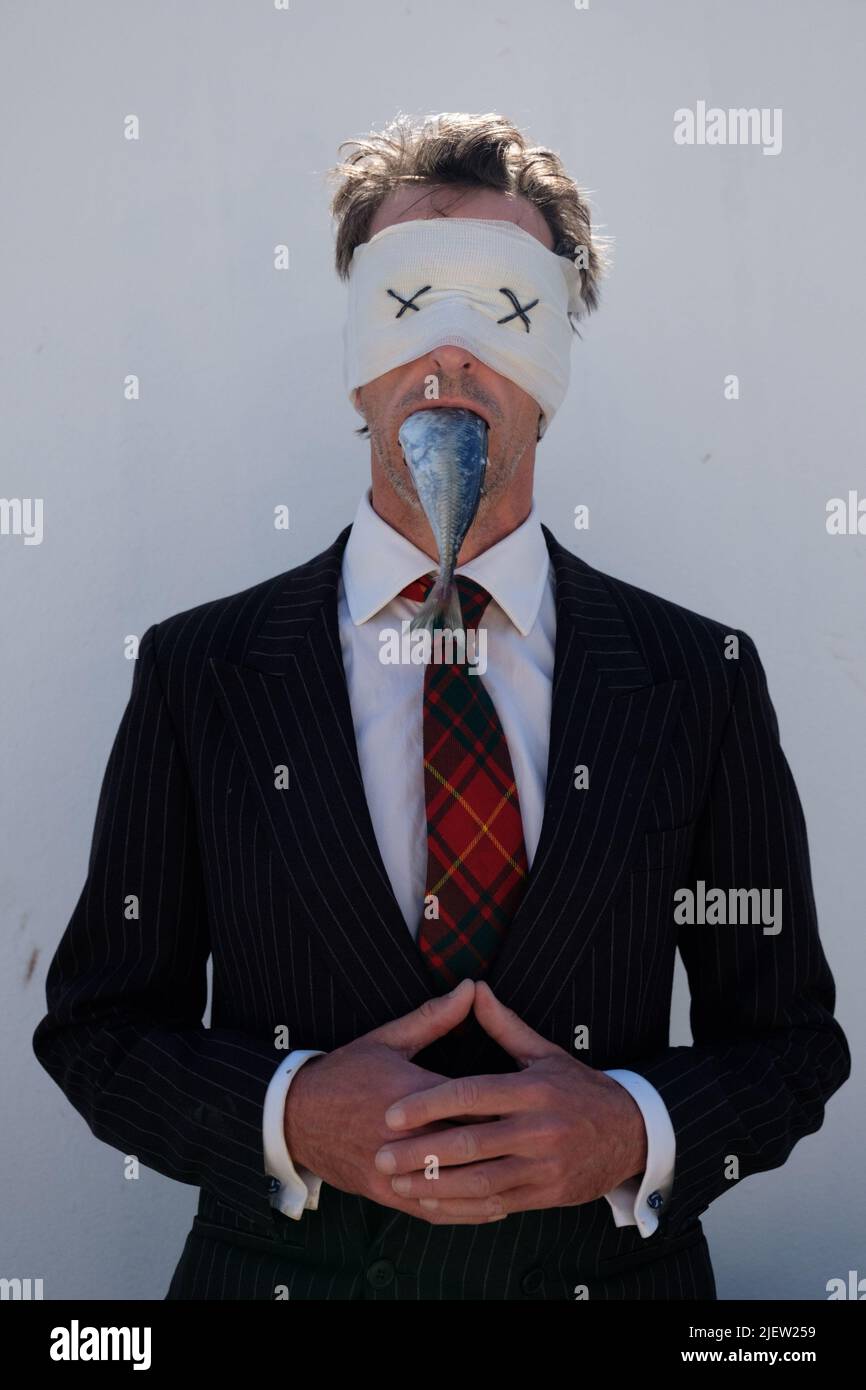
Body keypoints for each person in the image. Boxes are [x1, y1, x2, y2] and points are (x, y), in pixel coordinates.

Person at [33, 111, 850, 1301]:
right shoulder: (197, 670)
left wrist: (631, 1131)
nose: (450, 356)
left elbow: (789, 1045)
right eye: (409, 300)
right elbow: (97, 1027)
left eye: (505, 307)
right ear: (354, 358)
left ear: (555, 358)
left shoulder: (698, 677)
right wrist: (290, 1111)